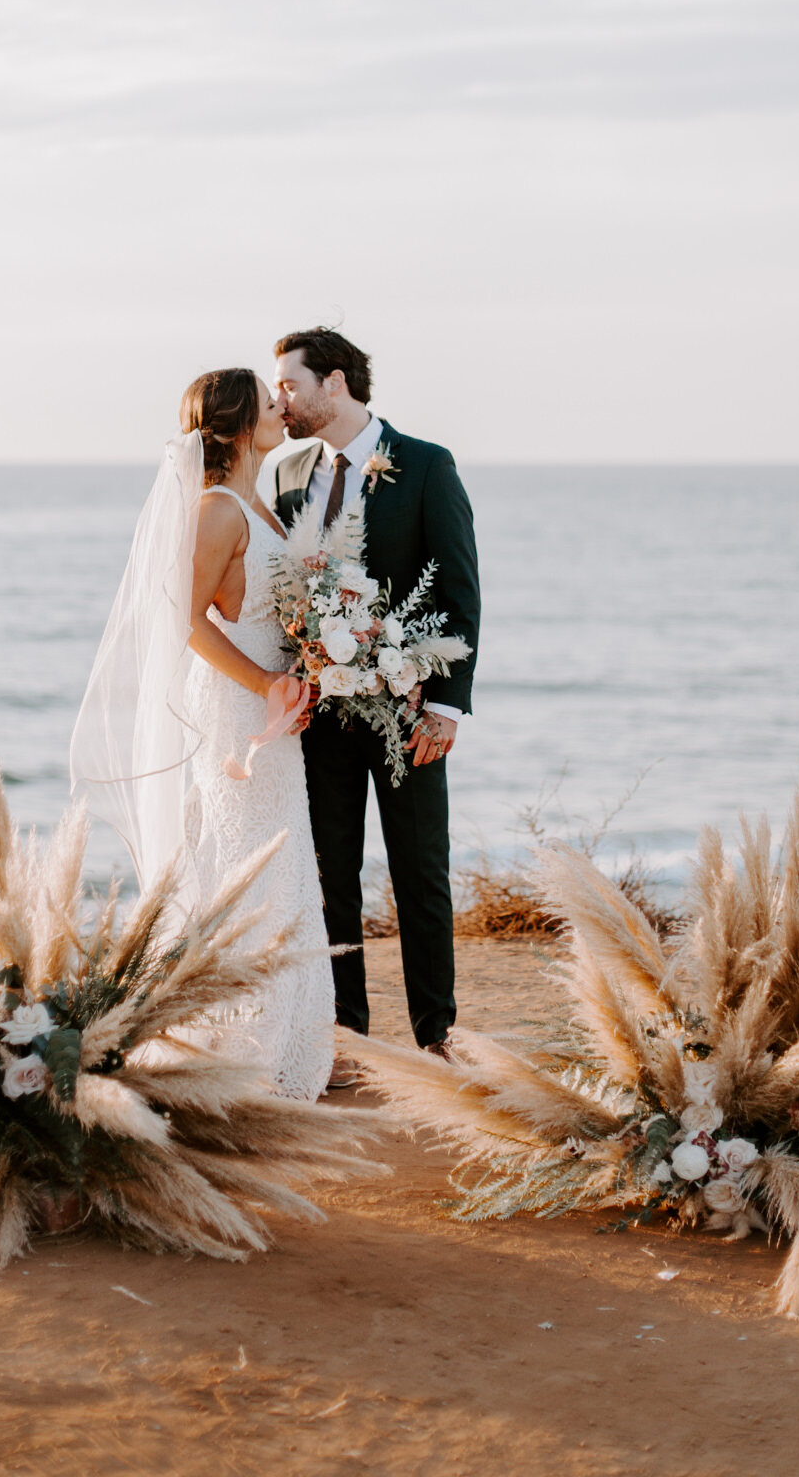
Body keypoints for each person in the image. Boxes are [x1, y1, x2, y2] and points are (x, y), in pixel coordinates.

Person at [70, 368, 334, 1103]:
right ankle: (231, 1048)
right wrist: (266, 684)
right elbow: (185, 622)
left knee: (280, 865)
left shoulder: (260, 502)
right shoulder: (218, 509)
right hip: (235, 707)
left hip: (274, 711)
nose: (281, 407)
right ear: (242, 426)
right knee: (240, 864)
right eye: (267, 400)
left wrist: (318, 658)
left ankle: (278, 1049)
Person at [272, 327, 480, 1064]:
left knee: (419, 869)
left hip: (405, 707)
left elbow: (458, 590)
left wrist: (445, 705)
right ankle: (345, 1035)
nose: (280, 401)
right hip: (322, 714)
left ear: (335, 382)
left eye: (290, 385)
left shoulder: (425, 465)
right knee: (332, 875)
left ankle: (437, 1035)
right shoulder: (289, 473)